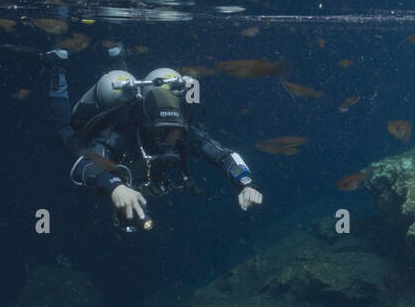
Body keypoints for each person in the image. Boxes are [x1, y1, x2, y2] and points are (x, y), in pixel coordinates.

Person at [44, 47, 263, 230]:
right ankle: (57, 68)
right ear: (147, 125)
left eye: (174, 130)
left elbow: (224, 156)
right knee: (64, 132)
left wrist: (246, 183)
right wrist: (116, 187)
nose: (170, 138)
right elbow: (84, 164)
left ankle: (118, 62)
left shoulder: (185, 132)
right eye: (163, 132)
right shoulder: (122, 130)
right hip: (103, 138)